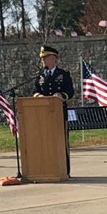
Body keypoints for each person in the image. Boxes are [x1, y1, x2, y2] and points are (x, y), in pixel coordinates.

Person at [32, 45, 74, 174]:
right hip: (44, 114)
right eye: (42, 58)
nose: (43, 61)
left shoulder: (63, 74)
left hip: (59, 113)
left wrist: (61, 95)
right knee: (46, 142)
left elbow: (70, 91)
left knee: (61, 143)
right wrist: (40, 97)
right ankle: (49, 168)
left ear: (54, 58)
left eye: (46, 58)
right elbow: (35, 91)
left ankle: (64, 170)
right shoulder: (40, 76)